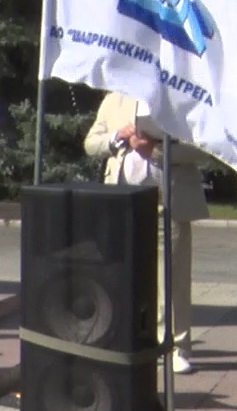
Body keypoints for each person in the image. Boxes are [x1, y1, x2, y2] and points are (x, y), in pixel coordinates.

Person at [85, 91, 207, 374]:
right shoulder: (115, 98)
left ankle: (177, 347)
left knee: (172, 277)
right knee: (123, 275)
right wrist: (117, 136)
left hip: (169, 202)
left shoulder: (179, 96)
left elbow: (202, 149)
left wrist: (154, 149)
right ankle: (127, 338)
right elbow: (91, 143)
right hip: (124, 202)